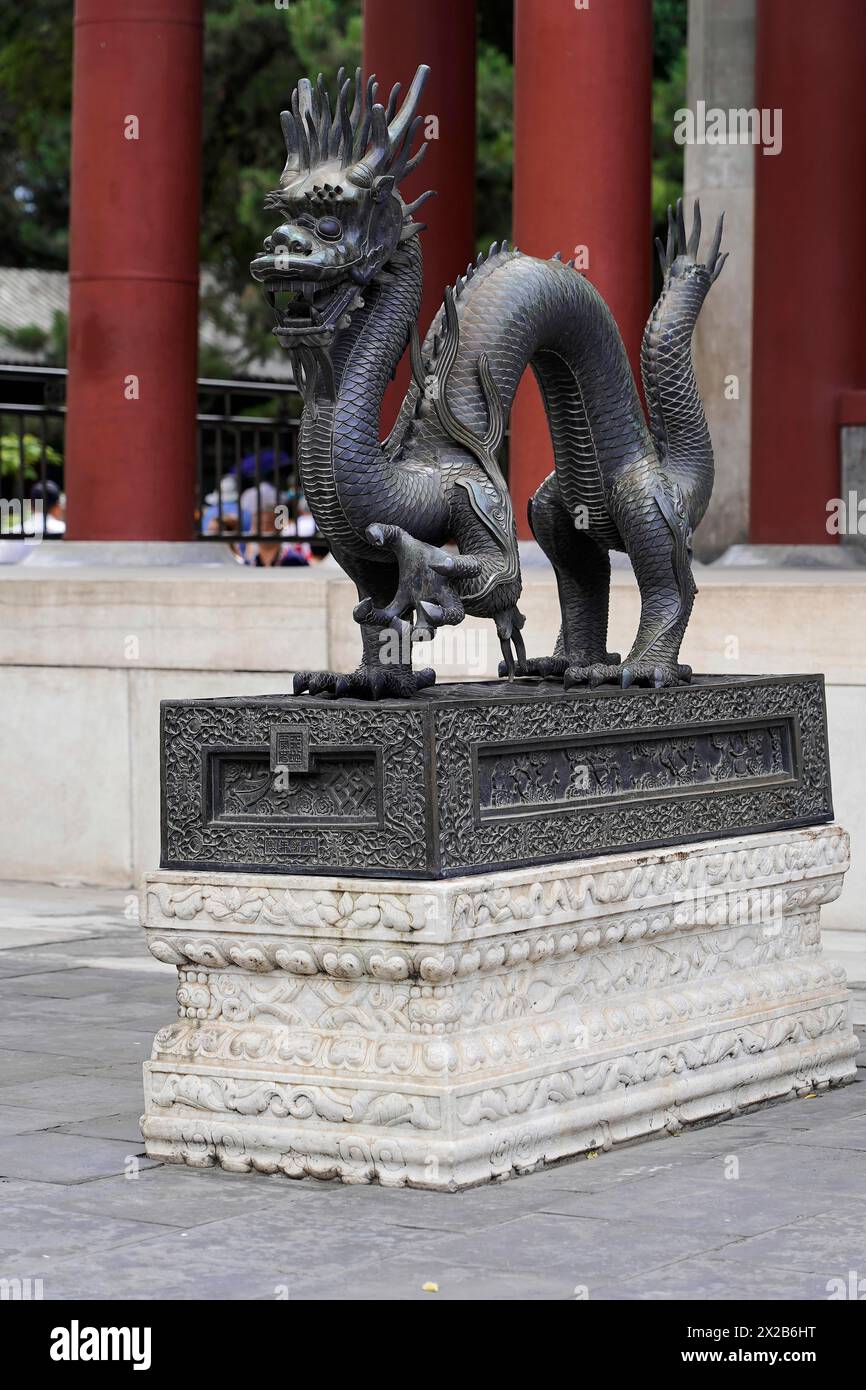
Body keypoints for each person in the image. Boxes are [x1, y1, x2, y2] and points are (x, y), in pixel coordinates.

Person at [240, 483, 309, 567]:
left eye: (269, 523)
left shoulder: (294, 560)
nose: (264, 528)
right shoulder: (250, 563)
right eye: (259, 524)